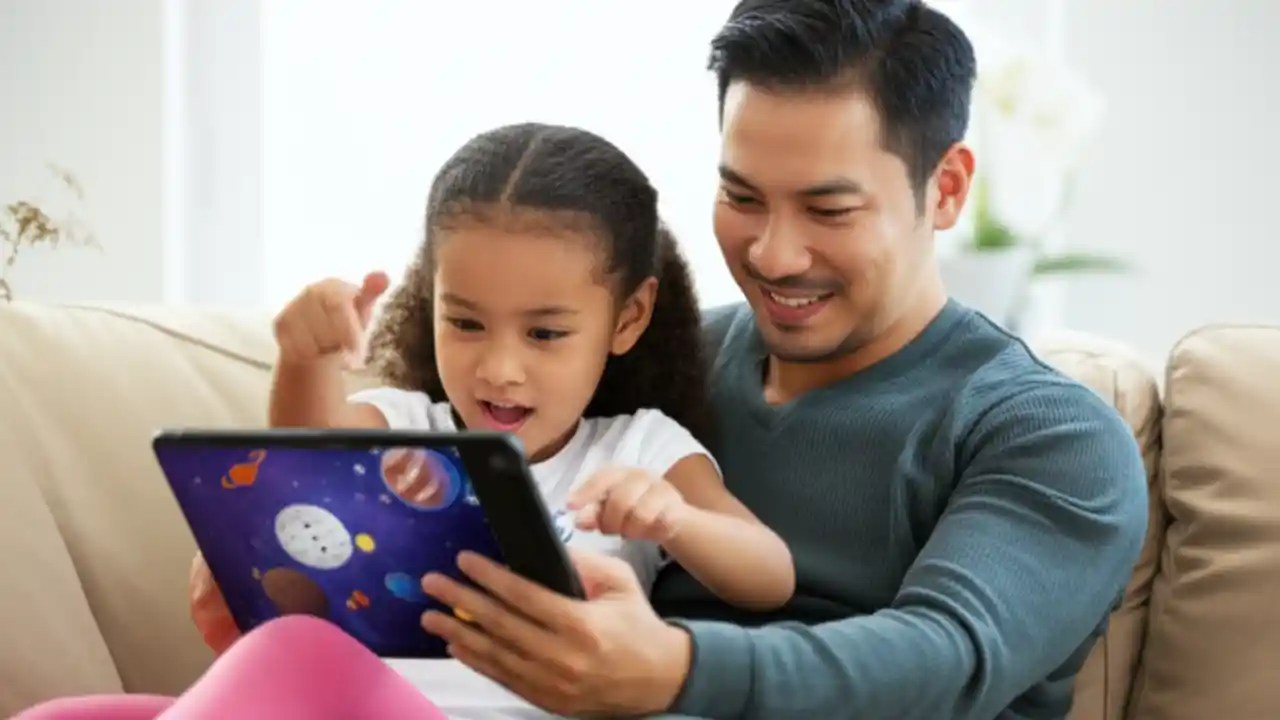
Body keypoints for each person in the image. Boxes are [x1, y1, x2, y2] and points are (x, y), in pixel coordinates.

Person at [407, 1, 1150, 719]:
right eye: (742, 196)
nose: (772, 253)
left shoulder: (1050, 437)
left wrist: (674, 671)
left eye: (829, 210)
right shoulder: (655, 357)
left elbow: (945, 656)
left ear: (947, 187)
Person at [14, 122, 794, 719]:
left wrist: (676, 519)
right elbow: (302, 461)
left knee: (294, 650)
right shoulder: (402, 424)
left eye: (546, 334)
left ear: (629, 318)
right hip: (354, 703)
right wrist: (306, 359)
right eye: (465, 323)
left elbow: (769, 573)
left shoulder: (642, 447)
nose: (499, 367)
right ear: (430, 302)